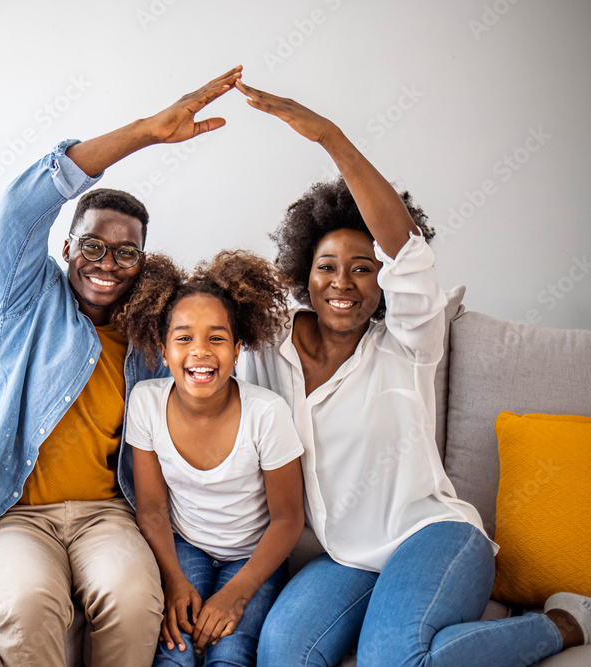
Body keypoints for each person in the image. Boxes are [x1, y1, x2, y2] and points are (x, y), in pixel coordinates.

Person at [231, 80, 591, 666]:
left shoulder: (408, 342)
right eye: (327, 266)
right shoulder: (269, 348)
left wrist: (331, 139)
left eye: (362, 268)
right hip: (346, 558)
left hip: (435, 538)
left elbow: (407, 253)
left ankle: (563, 623)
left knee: (394, 661)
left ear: (383, 282)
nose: (342, 283)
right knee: (282, 653)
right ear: (304, 273)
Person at [0, 67, 244, 666]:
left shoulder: (152, 337)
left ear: (142, 261)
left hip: (106, 515)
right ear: (67, 247)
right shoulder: (25, 300)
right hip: (16, 513)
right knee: (31, 606)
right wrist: (146, 132)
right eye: (92, 245)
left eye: (125, 252)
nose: (107, 263)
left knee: (135, 600)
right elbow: (19, 209)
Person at [116, 250, 306, 666]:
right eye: (184, 338)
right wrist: (173, 581)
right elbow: (151, 508)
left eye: (216, 338)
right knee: (177, 650)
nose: (200, 351)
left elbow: (289, 519)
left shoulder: (266, 413)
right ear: (163, 351)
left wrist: (236, 595)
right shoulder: (146, 403)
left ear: (237, 351)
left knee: (230, 653)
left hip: (253, 556)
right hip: (186, 547)